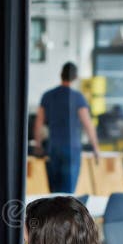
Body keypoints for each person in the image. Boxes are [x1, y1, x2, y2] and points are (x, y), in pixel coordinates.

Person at [34, 62, 101, 193]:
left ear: (61, 75)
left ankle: (54, 213)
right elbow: (88, 124)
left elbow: (38, 123)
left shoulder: (48, 95)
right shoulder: (77, 97)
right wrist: (96, 148)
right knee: (68, 192)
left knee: (54, 191)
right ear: (75, 77)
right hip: (72, 149)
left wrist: (38, 145)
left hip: (53, 148)